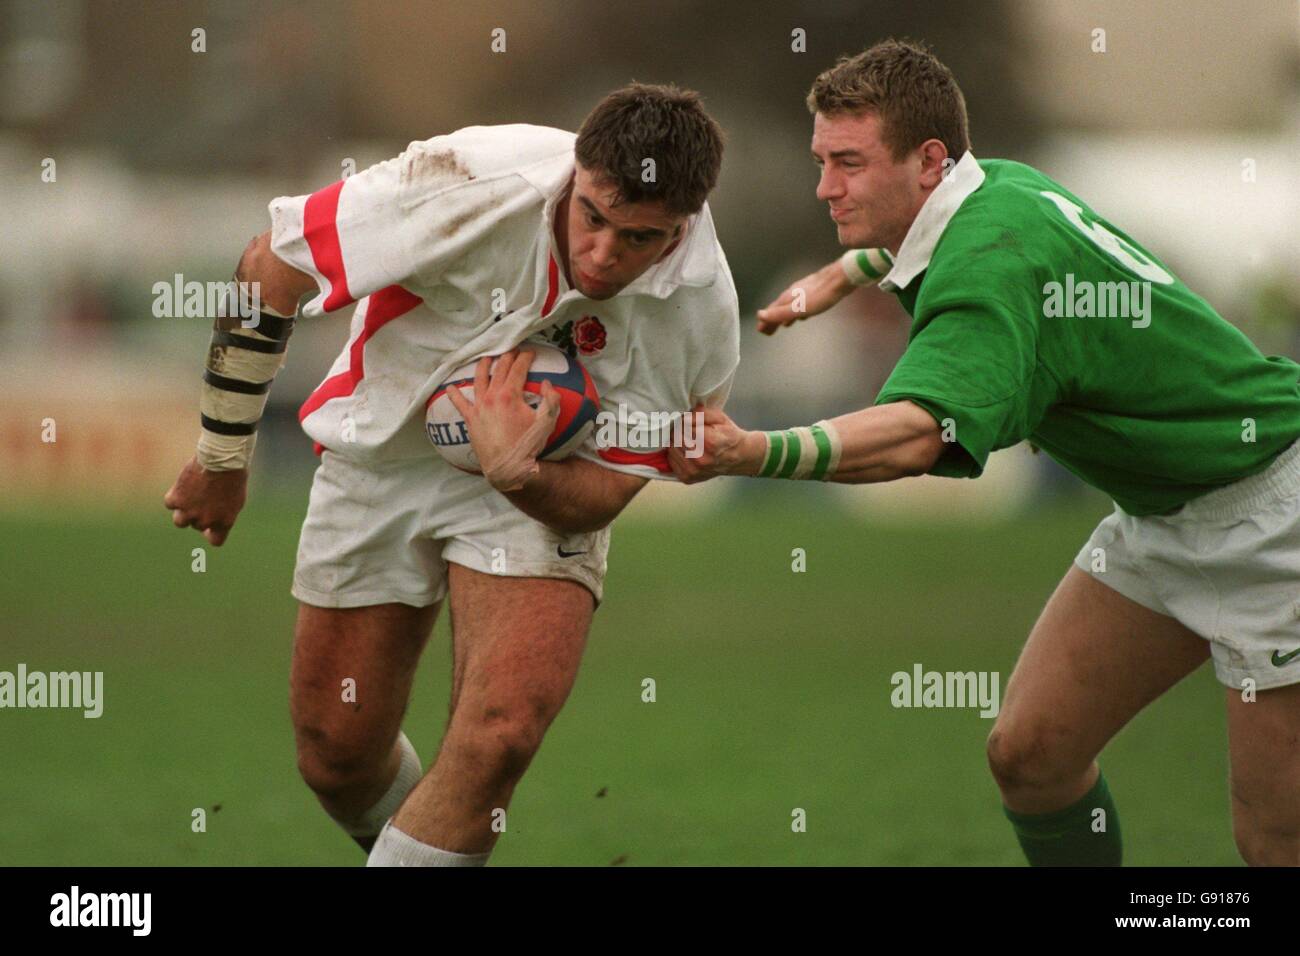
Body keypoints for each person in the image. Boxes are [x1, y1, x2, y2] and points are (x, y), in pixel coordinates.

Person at [670, 39, 1300, 866]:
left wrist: (755, 450)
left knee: (1273, 845)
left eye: (849, 164)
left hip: (1272, 519)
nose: (826, 186)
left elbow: (921, 428)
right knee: (1030, 755)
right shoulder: (993, 184)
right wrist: (851, 270)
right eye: (823, 161)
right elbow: (929, 238)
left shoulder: (989, 267)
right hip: (1164, 517)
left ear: (928, 160)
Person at [163, 84, 739, 866]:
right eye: (594, 218)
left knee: (499, 738)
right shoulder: (465, 179)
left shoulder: (700, 309)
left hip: (542, 483)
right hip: (383, 453)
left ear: (684, 225)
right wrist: (223, 457)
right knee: (337, 754)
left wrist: (518, 476)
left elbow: (605, 493)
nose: (605, 255)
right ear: (576, 176)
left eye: (641, 238)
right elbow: (270, 268)